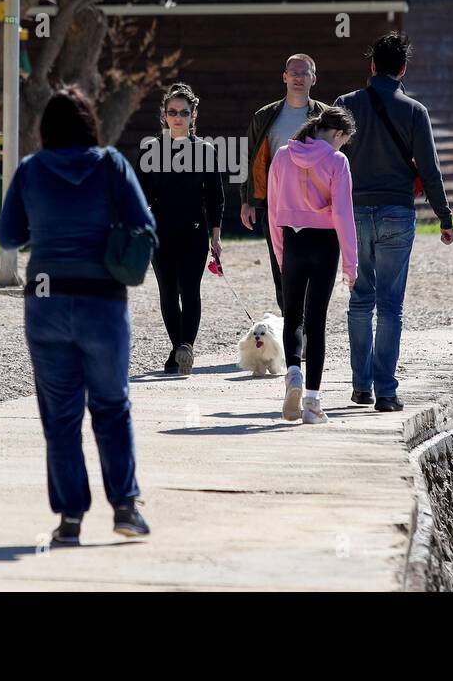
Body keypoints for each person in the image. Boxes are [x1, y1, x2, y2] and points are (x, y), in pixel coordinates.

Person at [0, 87, 154, 545]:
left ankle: (70, 520)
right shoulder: (110, 165)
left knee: (60, 417)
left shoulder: (30, 170)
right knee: (111, 405)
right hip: (102, 300)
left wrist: (45, 225)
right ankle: (124, 507)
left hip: (45, 304)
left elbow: (9, 235)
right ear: (90, 123)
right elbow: (145, 224)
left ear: (46, 127)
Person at [334, 32, 453, 413]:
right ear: (403, 69)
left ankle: (360, 386)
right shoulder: (415, 112)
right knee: (390, 305)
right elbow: (431, 171)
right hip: (397, 214)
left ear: (372, 66)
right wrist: (444, 216)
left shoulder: (344, 105)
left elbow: (326, 158)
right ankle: (386, 391)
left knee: (360, 299)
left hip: (353, 213)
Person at [267, 106, 359, 425]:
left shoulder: (281, 156)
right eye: (343, 141)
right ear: (337, 134)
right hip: (325, 243)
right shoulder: (337, 161)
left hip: (292, 240)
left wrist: (280, 255)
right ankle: (312, 404)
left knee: (293, 315)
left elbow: (273, 210)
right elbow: (344, 216)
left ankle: (293, 372)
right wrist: (351, 265)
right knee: (317, 321)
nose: (342, 147)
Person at [138, 83, 225, 375]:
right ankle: (177, 349)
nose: (178, 117)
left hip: (194, 231)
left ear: (193, 115)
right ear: (164, 116)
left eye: (184, 112)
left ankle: (186, 344)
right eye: (172, 112)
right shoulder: (151, 150)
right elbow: (141, 193)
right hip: (160, 232)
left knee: (189, 289)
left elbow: (215, 195)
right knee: (167, 291)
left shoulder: (205, 150)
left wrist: (216, 236)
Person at [240, 54, 328, 312]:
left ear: (314, 78)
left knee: (316, 267)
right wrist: (247, 201)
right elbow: (249, 159)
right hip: (276, 203)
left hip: (316, 205)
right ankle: (292, 327)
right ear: (284, 77)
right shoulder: (265, 117)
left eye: (304, 73)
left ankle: (310, 327)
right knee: (282, 266)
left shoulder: (325, 116)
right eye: (294, 72)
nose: (298, 77)